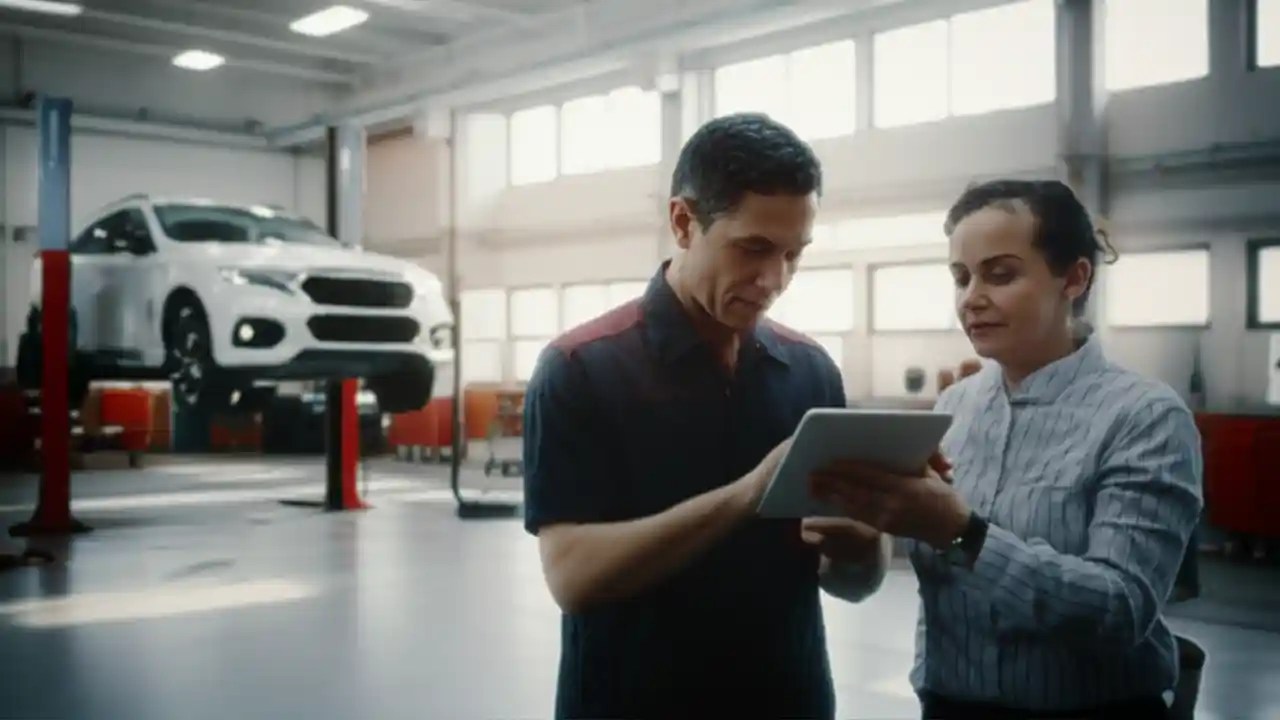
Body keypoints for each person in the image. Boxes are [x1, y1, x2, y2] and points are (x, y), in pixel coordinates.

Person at [521, 113, 891, 720]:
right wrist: (748, 495)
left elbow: (852, 584)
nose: (775, 280)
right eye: (753, 249)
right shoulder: (579, 369)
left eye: (794, 255)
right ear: (683, 222)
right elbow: (572, 578)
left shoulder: (811, 371)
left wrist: (863, 546)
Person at [811, 179, 1204, 719]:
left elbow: (1120, 610)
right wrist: (860, 545)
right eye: (961, 277)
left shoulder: (1143, 417)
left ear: (1074, 277)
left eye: (1001, 274)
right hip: (949, 705)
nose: (972, 297)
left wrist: (963, 533)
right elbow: (907, 582)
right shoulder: (957, 406)